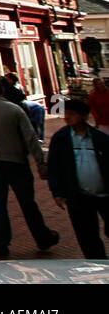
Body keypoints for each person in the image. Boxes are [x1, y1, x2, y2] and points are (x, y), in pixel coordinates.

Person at [0, 75, 59, 259]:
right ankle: (42, 238)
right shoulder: (14, 110)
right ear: (2, 90)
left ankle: (1, 244)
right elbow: (31, 138)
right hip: (16, 161)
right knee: (27, 202)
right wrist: (40, 162)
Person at [45, 98, 109, 258]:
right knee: (87, 237)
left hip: (105, 195)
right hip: (78, 196)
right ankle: (98, 268)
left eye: (72, 114)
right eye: (65, 113)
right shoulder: (61, 139)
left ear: (84, 116)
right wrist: (57, 192)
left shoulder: (100, 138)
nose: (67, 117)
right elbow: (54, 167)